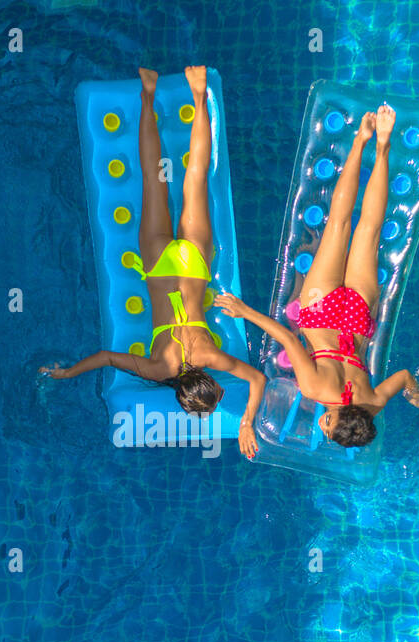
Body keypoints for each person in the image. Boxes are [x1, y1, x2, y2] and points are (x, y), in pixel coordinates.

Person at [41, 66, 265, 459]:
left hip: (193, 263)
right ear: (180, 393)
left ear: (215, 384)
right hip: (160, 263)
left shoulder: (212, 358)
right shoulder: (159, 369)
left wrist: (246, 422)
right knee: (152, 180)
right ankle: (147, 94)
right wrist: (68, 372)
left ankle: (197, 96)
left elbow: (258, 380)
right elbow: (107, 357)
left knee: (194, 179)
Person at [215, 104, 419, 449]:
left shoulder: (372, 404)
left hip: (357, 318)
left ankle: (381, 144)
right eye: (327, 429)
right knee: (337, 225)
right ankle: (360, 141)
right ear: (332, 420)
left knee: (368, 230)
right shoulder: (314, 390)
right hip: (320, 309)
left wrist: (415, 395)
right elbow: (286, 337)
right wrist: (243, 311)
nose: (323, 429)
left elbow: (403, 378)